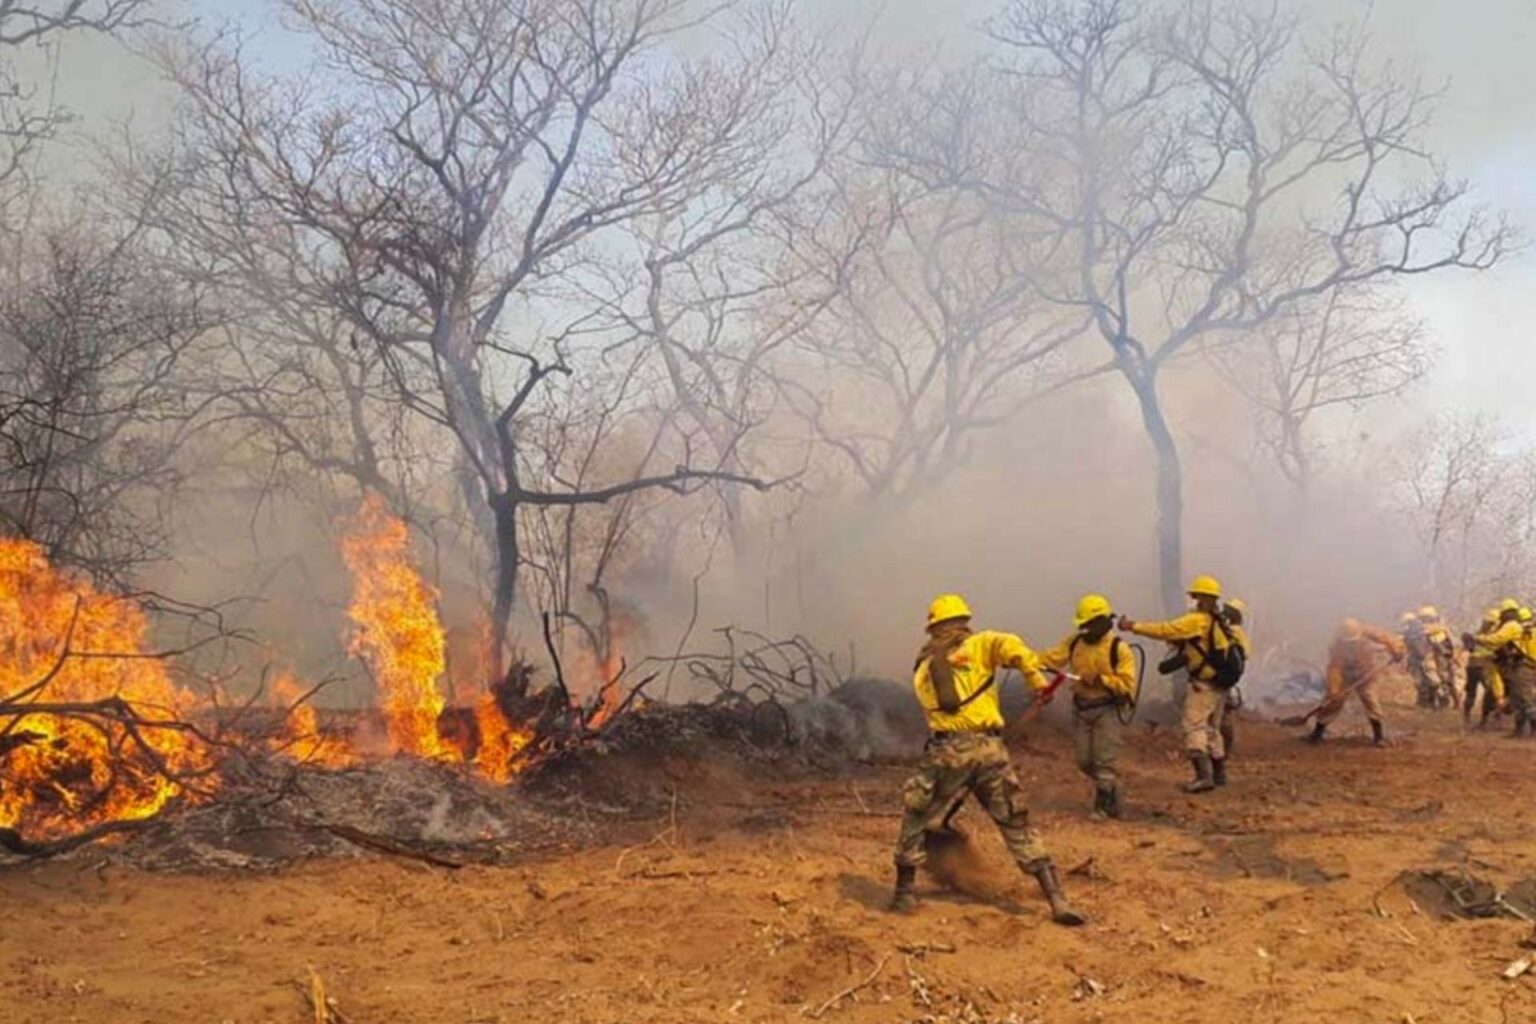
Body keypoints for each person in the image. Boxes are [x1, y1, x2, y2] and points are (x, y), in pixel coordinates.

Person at [890, 594, 1085, 925]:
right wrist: (1037, 681)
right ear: (963, 622)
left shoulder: (923, 667)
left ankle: (904, 895)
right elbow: (1013, 646)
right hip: (990, 751)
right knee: (1015, 821)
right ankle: (1057, 899)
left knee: (917, 813)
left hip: (948, 752)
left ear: (933, 627)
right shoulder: (980, 644)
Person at [1119, 574, 1239, 794]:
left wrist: (1132, 626)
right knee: (1212, 728)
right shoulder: (1218, 622)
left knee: (1193, 726)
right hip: (1219, 684)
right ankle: (1219, 772)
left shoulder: (1197, 621)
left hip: (1203, 685)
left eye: (1195, 596)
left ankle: (1204, 777)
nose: (1193, 600)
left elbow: (1165, 629)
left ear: (1202, 598)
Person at [1039, 594, 1138, 821]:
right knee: (1084, 761)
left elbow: (1127, 685)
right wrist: (1022, 659)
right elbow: (1052, 658)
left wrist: (1102, 680)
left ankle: (1102, 806)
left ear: (1103, 621)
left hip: (1107, 710)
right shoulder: (1075, 643)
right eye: (1083, 625)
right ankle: (1112, 788)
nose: (1085, 629)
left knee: (1103, 761)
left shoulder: (1118, 649)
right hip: (1081, 709)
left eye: (1089, 624)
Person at [1308, 618, 1404, 746]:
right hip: (1345, 676)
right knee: (1333, 703)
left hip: (1366, 673)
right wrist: (1334, 690)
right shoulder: (1336, 646)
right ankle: (1317, 733)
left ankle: (1378, 737)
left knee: (1370, 701)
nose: (1351, 643)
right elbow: (1334, 669)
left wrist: (1396, 650)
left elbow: (1388, 639)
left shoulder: (1367, 631)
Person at [1463, 608, 1508, 728]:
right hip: (1486, 666)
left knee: (1473, 692)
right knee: (1492, 692)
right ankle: (1493, 719)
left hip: (1474, 665)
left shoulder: (1478, 633)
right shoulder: (1497, 634)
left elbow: (1469, 647)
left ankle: (1469, 717)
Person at [1219, 598, 1252, 758]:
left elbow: (1244, 653)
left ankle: (1225, 750)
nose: (1225, 613)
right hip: (1225, 677)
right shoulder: (1228, 630)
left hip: (1225, 678)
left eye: (1229, 610)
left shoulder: (1235, 632)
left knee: (1222, 716)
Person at [1419, 607, 1460, 709]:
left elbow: (1451, 643)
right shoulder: (1433, 629)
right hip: (1437, 656)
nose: (1424, 621)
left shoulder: (1440, 629)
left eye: (1426, 618)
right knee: (1437, 680)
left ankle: (1450, 702)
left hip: (1444, 657)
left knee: (1446, 679)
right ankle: (1443, 701)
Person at [1401, 612, 1435, 709]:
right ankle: (1428, 702)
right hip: (1422, 658)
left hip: (1418, 659)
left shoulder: (1413, 634)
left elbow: (1417, 648)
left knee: (1421, 682)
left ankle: (1424, 703)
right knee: (1426, 680)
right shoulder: (1421, 631)